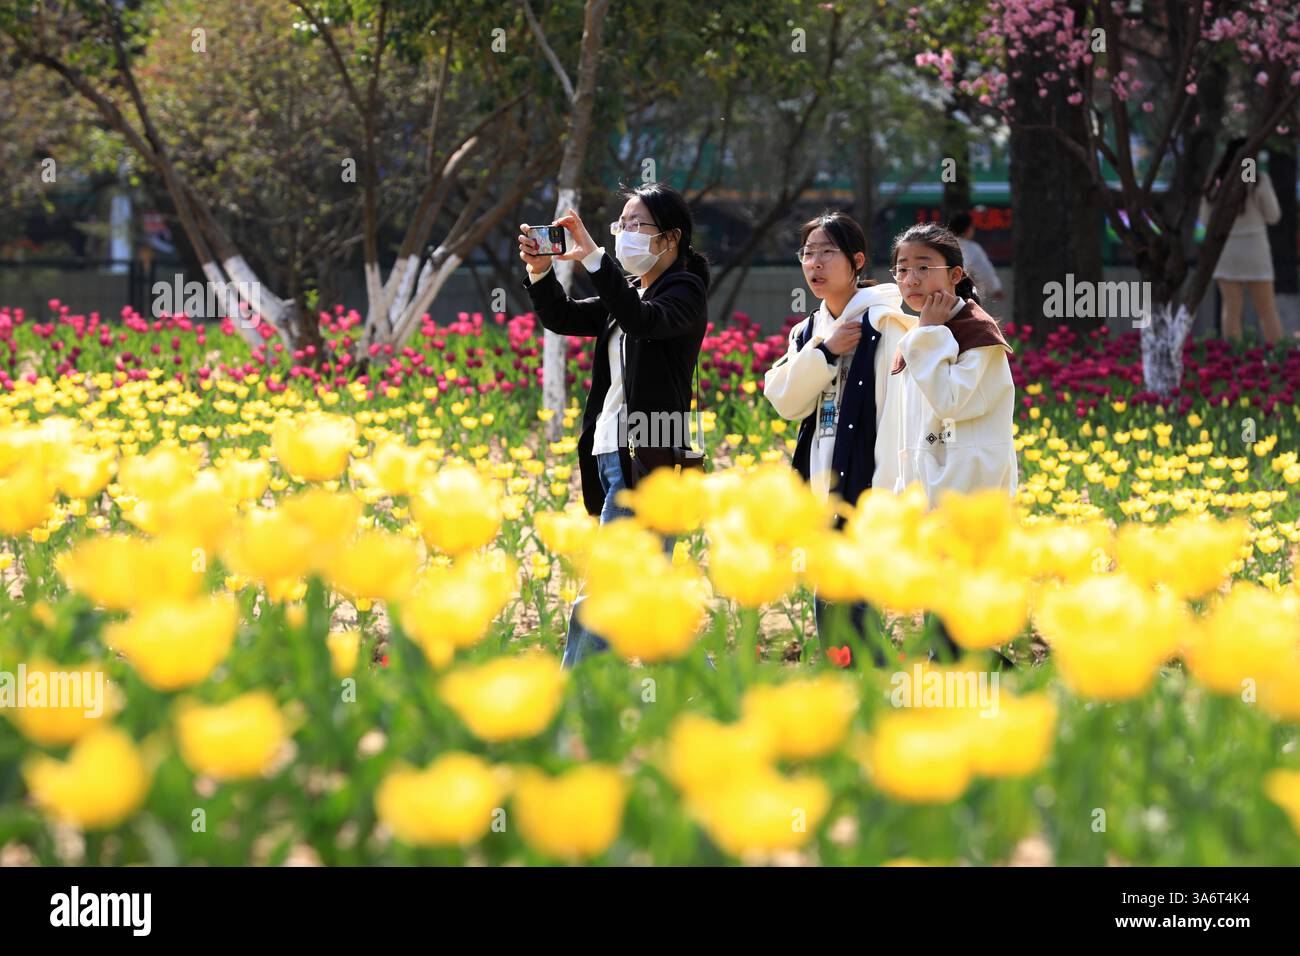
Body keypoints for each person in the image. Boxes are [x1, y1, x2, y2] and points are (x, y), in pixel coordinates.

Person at [518, 182, 710, 669]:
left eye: (634, 224)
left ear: (670, 237)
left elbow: (644, 321)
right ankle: (703, 691)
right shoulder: (629, 292)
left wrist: (595, 258)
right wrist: (540, 273)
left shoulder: (683, 290)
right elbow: (561, 317)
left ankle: (574, 699)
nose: (623, 233)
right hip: (612, 453)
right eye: (619, 224)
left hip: (653, 452)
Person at [762, 211, 915, 667]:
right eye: (808, 253)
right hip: (820, 484)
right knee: (831, 601)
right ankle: (859, 694)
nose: (815, 264)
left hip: (869, 484)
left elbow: (897, 416)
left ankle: (868, 694)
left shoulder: (888, 325)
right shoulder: (809, 331)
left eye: (828, 252)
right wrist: (825, 351)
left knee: (852, 603)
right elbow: (785, 401)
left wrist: (889, 495)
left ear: (857, 260)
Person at [888, 222, 1017, 667]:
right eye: (902, 269)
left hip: (967, 490)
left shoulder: (976, 334)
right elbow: (910, 424)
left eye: (925, 268)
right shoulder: (925, 330)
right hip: (936, 485)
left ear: (956, 275)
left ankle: (984, 683)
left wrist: (929, 332)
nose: (911, 280)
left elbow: (950, 401)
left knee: (958, 607)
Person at [1200, 138, 1284, 346]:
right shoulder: (1257, 180)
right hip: (1255, 252)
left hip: (1226, 252)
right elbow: (1273, 216)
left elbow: (1205, 221)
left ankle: (1235, 358)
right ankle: (1280, 358)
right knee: (1266, 310)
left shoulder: (1216, 182)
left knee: (1231, 309)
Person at [948, 211, 1004, 303]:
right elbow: (985, 270)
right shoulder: (972, 248)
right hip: (964, 296)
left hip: (941, 295)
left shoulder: (942, 245)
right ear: (968, 229)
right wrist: (995, 288)